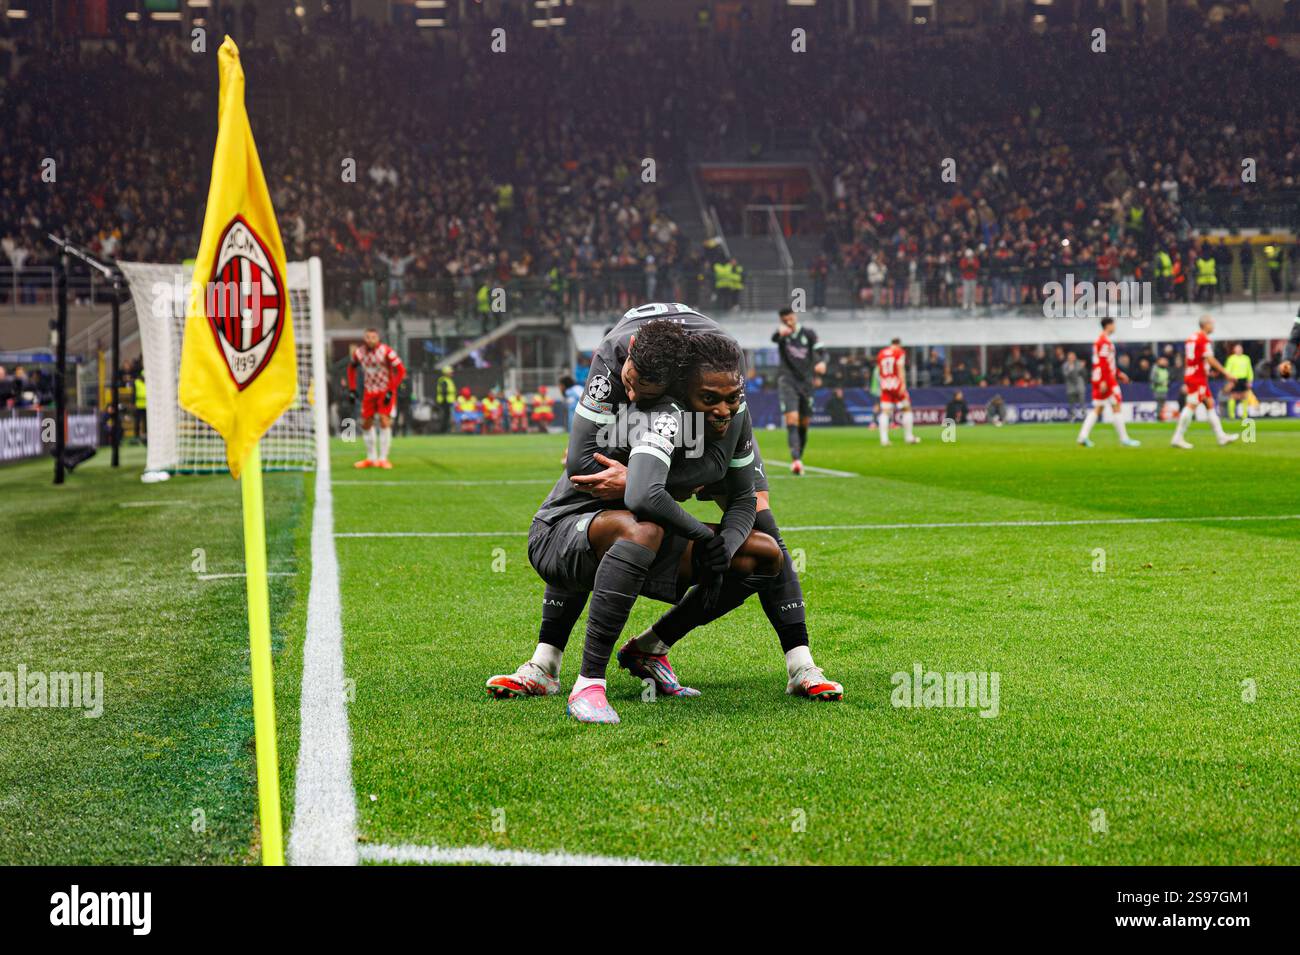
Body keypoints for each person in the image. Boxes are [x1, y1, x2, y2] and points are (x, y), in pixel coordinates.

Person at [487, 305, 841, 704]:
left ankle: (798, 664)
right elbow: (581, 465)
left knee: (763, 538)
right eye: (632, 385)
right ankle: (546, 661)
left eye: (645, 392)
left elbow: (742, 496)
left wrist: (666, 484)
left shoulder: (721, 389)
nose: (633, 393)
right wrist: (641, 483)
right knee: (594, 496)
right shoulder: (617, 360)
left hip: (699, 401)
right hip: (630, 467)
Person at [505, 332, 779, 724]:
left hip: (638, 533)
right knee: (640, 529)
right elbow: (644, 497)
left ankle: (650, 648)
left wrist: (727, 546)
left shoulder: (729, 418)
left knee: (763, 554)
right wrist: (703, 537)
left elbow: (744, 498)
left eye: (732, 397)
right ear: (686, 390)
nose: (723, 408)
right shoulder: (664, 415)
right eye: (710, 398)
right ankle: (588, 685)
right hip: (560, 534)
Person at [771, 307, 826, 475]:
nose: (788, 322)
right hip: (787, 380)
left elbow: (819, 351)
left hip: (806, 382)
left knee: (804, 423)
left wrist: (820, 362)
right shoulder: (782, 336)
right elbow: (774, 338)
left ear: (795, 317)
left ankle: (798, 457)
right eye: (784, 320)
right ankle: (795, 459)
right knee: (792, 418)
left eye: (790, 318)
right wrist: (780, 334)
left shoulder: (809, 334)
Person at [1171, 316, 1240, 449]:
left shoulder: (1191, 338)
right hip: (1197, 378)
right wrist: (1227, 373)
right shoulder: (1203, 339)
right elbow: (1210, 359)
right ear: (1206, 325)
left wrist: (1202, 371)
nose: (1213, 326)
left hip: (1194, 374)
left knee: (1209, 404)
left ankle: (1221, 436)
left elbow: (1191, 359)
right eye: (1212, 323)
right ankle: (1177, 437)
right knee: (1191, 405)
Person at [347, 328, 406, 468]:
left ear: (378, 338)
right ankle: (371, 458)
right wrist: (352, 389)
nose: (370, 340)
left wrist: (391, 390)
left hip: (385, 390)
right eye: (367, 337)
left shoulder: (386, 351)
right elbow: (351, 368)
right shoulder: (359, 352)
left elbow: (401, 370)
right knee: (366, 423)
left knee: (384, 420)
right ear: (364, 338)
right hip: (369, 392)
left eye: (373, 337)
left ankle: (383, 458)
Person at [1077, 318, 1140, 448]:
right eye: (1113, 324)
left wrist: (1119, 374)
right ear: (1108, 325)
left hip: (1102, 377)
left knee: (1099, 408)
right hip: (1105, 379)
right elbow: (1104, 362)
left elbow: (1107, 362)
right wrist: (1105, 381)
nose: (1115, 327)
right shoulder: (1104, 342)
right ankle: (1124, 439)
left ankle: (1083, 436)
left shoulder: (1101, 341)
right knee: (1115, 405)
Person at [876, 337, 919, 445]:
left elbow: (879, 370)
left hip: (885, 383)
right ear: (899, 344)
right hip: (896, 383)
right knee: (907, 409)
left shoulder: (881, 353)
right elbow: (900, 368)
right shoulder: (899, 352)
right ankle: (909, 437)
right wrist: (903, 384)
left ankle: (884, 439)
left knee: (885, 412)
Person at [1223, 344, 1254, 420]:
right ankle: (1232, 416)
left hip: (1243, 379)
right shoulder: (1231, 359)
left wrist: (1250, 380)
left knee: (1245, 397)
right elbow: (1227, 370)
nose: (1239, 350)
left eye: (1240, 349)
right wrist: (1230, 380)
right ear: (1234, 350)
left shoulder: (1246, 358)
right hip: (1234, 379)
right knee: (1233, 396)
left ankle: (1245, 415)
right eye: (1237, 349)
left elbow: (1249, 370)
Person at [1062, 350, 1087, 420]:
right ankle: (1072, 416)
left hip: (1079, 385)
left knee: (1082, 401)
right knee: (1071, 403)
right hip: (1070, 386)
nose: (1071, 358)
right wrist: (1071, 369)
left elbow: (1084, 374)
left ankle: (1084, 415)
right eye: (1070, 357)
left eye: (1073, 357)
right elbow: (1065, 375)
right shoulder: (1065, 365)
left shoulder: (1079, 364)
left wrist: (1082, 368)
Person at [435, 366, 456, 434]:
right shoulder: (443, 380)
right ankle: (443, 430)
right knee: (445, 416)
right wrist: (445, 400)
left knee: (447, 416)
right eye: (450, 372)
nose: (451, 373)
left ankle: (445, 430)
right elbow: (444, 391)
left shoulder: (447, 380)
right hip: (445, 401)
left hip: (448, 401)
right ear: (446, 373)